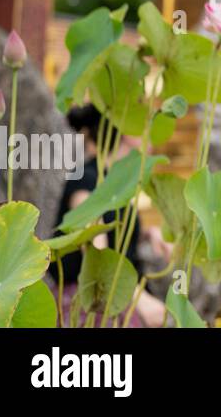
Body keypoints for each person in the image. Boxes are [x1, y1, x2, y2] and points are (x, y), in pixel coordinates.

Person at [51, 104, 174, 327]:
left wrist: (148, 233)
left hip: (115, 297)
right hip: (93, 306)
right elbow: (97, 255)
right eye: (147, 126)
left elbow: (112, 228)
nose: (154, 137)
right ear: (130, 133)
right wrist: (139, 298)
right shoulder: (87, 181)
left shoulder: (116, 183)